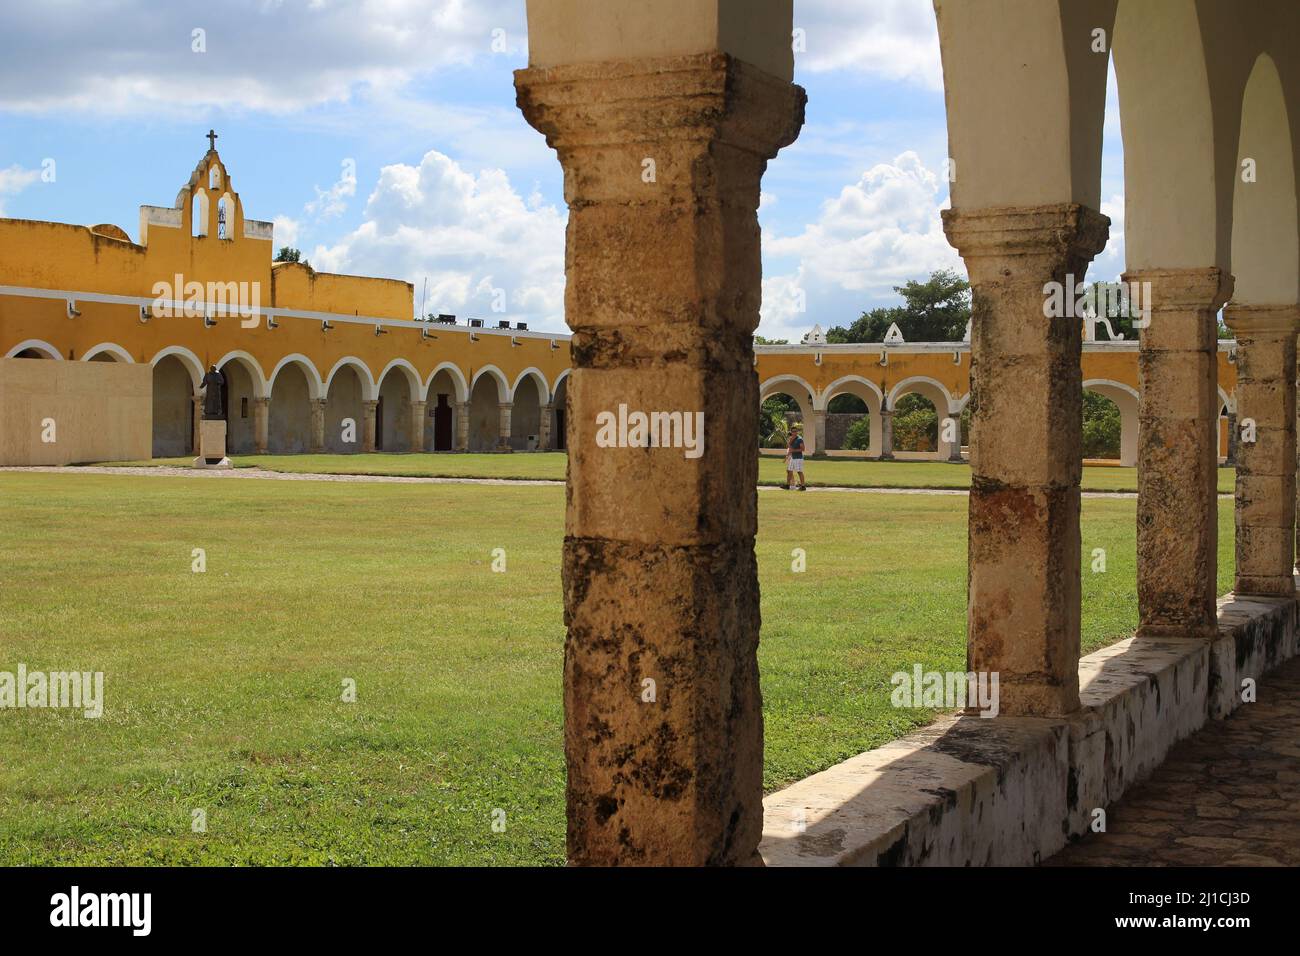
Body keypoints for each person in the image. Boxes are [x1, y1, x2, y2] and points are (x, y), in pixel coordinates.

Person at [784, 422, 807, 491]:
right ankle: (787, 485)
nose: (794, 432)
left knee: (799, 471)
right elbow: (788, 447)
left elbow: (803, 449)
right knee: (789, 470)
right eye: (793, 431)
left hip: (798, 458)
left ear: (797, 432)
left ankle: (803, 486)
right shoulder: (791, 439)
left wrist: (794, 450)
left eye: (795, 431)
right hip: (793, 458)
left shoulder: (799, 439)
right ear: (791, 432)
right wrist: (790, 442)